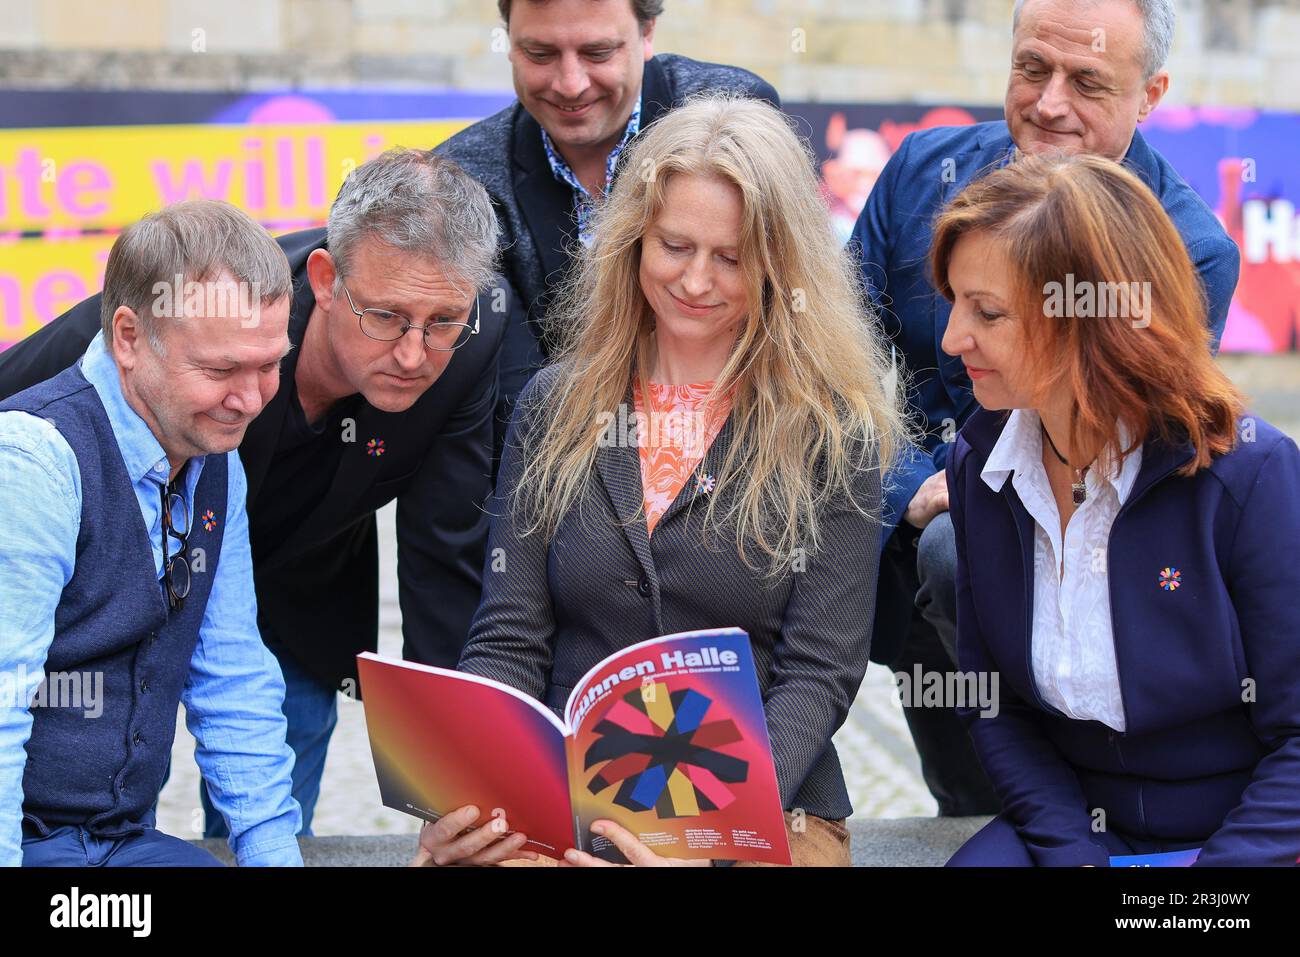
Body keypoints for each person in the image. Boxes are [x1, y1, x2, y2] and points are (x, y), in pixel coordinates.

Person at [414, 93, 909, 868]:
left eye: (733, 257)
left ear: (781, 265)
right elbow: (509, 635)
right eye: (675, 245)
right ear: (633, 240)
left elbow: (819, 673)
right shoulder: (557, 403)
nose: (697, 281)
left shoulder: (831, 428)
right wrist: (486, 788)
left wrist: (705, 838)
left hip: (765, 808)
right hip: (574, 799)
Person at [0, 149, 508, 838]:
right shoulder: (199, 312)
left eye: (443, 320)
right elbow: (31, 405)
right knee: (80, 784)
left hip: (297, 599)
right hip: (105, 591)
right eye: (386, 316)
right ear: (325, 281)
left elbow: (446, 556)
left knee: (270, 795)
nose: (416, 353)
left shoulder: (470, 347)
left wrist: (451, 786)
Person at [849, 0, 1242, 817]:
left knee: (965, 546)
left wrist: (965, 491)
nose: (1048, 101)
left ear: (1150, 94)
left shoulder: (1186, 249)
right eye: (1032, 68)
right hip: (915, 560)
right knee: (966, 806)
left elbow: (1111, 443)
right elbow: (834, 372)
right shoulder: (923, 170)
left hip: (1068, 577)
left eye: (1087, 81)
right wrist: (916, 486)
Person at [935, 152, 1300, 866]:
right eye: (953, 301)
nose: (952, 339)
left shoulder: (1253, 478)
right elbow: (995, 703)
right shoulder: (982, 467)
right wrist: (1074, 854)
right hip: (1078, 829)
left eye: (988, 312)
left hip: (1251, 834)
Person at [0, 200, 303, 866]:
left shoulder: (217, 460)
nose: (251, 400)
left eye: (268, 365)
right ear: (129, 337)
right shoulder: (34, 460)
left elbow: (233, 678)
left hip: (123, 841)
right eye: (222, 370)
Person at [436, 0, 779, 463]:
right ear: (509, 42)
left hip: (742, 454)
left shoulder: (737, 110)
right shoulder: (468, 179)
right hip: (564, 470)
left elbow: (789, 319)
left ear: (648, 32)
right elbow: (515, 401)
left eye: (598, 53)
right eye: (539, 54)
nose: (570, 84)